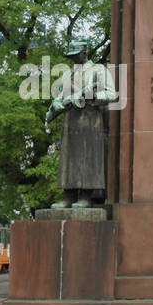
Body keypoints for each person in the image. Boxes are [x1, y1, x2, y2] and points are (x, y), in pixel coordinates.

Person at [46, 40, 116, 207]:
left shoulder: (98, 70)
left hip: (90, 121)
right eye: (70, 57)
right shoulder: (69, 74)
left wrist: (92, 96)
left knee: (87, 157)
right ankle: (68, 197)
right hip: (70, 122)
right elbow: (61, 96)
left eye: (75, 56)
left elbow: (111, 94)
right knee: (68, 159)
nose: (73, 60)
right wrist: (56, 104)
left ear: (84, 53)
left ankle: (85, 197)